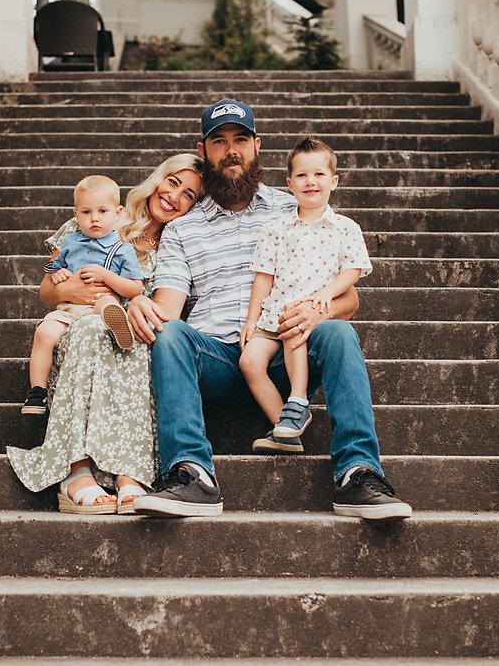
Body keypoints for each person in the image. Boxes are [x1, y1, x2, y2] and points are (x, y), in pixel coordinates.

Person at [128, 98, 412, 521]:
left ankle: (358, 473)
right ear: (204, 151)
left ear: (256, 146)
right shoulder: (183, 228)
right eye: (219, 141)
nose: (231, 151)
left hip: (286, 353)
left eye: (240, 139)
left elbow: (350, 300)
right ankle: (191, 474)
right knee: (169, 335)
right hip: (216, 359)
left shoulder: (294, 206)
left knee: (338, 332)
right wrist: (136, 300)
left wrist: (317, 312)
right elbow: (167, 309)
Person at [7, 154, 204, 514]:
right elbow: (47, 290)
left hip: (127, 333)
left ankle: (130, 471)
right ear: (158, 180)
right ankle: (75, 471)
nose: (174, 196)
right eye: (173, 182)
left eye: (189, 195)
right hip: (80, 325)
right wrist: (73, 290)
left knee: (139, 342)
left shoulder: (179, 245)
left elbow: (163, 309)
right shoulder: (97, 213)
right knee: (91, 329)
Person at [239, 135, 371, 454]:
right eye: (301, 175)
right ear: (290, 183)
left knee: (294, 320)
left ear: (333, 181)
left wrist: (326, 293)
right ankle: (284, 427)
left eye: (319, 174)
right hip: (271, 316)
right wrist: (251, 319)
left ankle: (298, 400)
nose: (310, 181)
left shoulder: (345, 228)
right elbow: (263, 278)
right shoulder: (275, 229)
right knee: (249, 361)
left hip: (306, 314)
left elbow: (352, 270)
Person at [21, 175, 143, 416]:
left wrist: (106, 276)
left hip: (99, 308)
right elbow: (51, 268)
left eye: (102, 211)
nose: (94, 218)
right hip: (68, 310)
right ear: (76, 214)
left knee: (108, 302)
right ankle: (37, 392)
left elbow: (135, 287)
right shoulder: (69, 241)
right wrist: (57, 273)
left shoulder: (123, 249)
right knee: (44, 332)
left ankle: (117, 326)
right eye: (86, 212)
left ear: (118, 213)